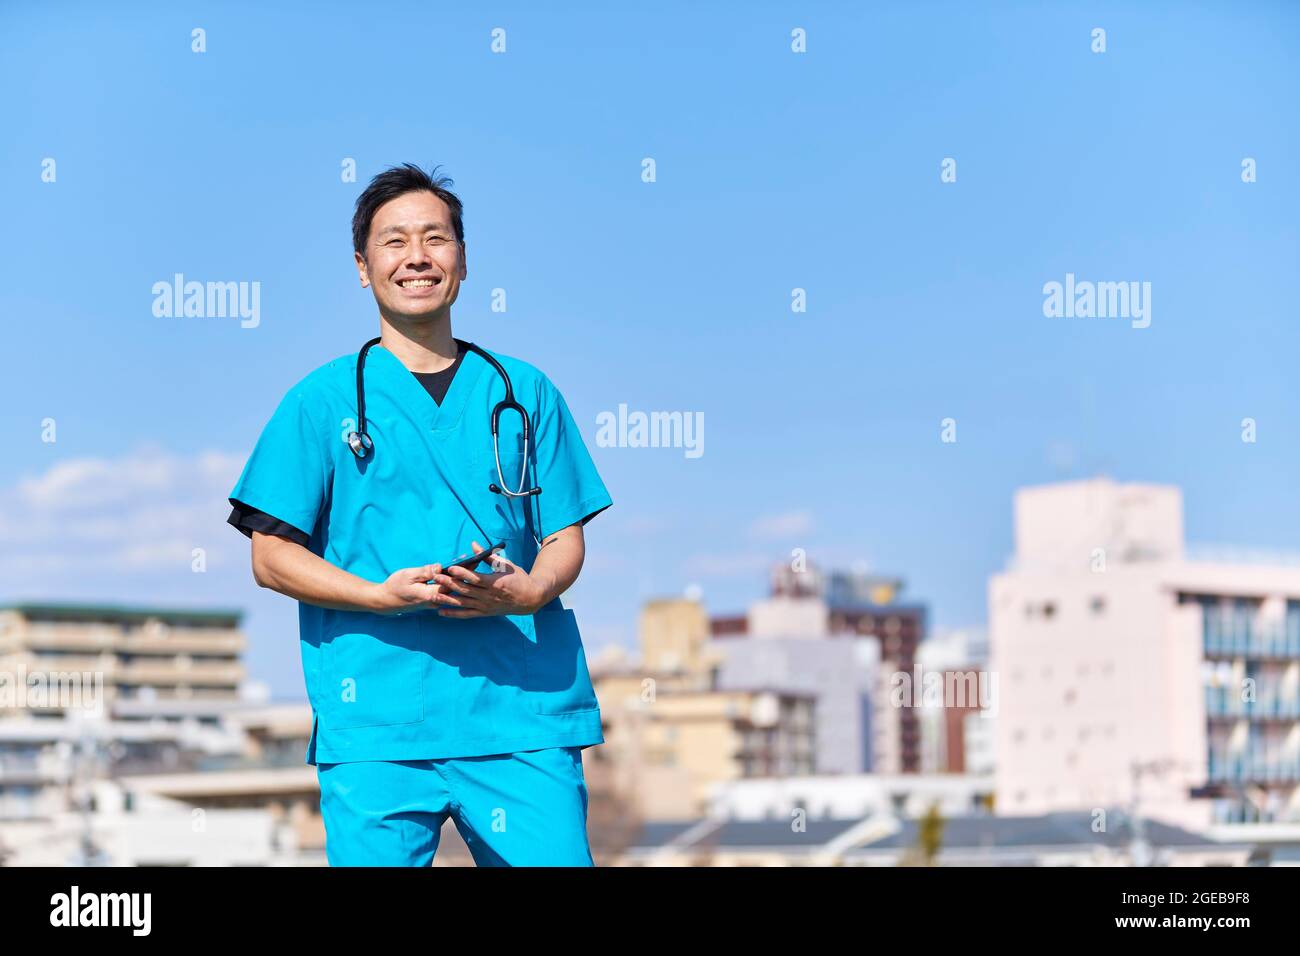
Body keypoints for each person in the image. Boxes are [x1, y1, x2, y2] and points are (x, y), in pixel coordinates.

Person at [226, 163, 612, 866]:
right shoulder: (319, 402)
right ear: (363, 267)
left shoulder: (524, 392)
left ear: (462, 261)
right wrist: (377, 596)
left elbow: (564, 535)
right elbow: (269, 556)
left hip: (520, 716)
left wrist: (532, 589)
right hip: (378, 722)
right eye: (395, 241)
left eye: (436, 238)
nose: (417, 257)